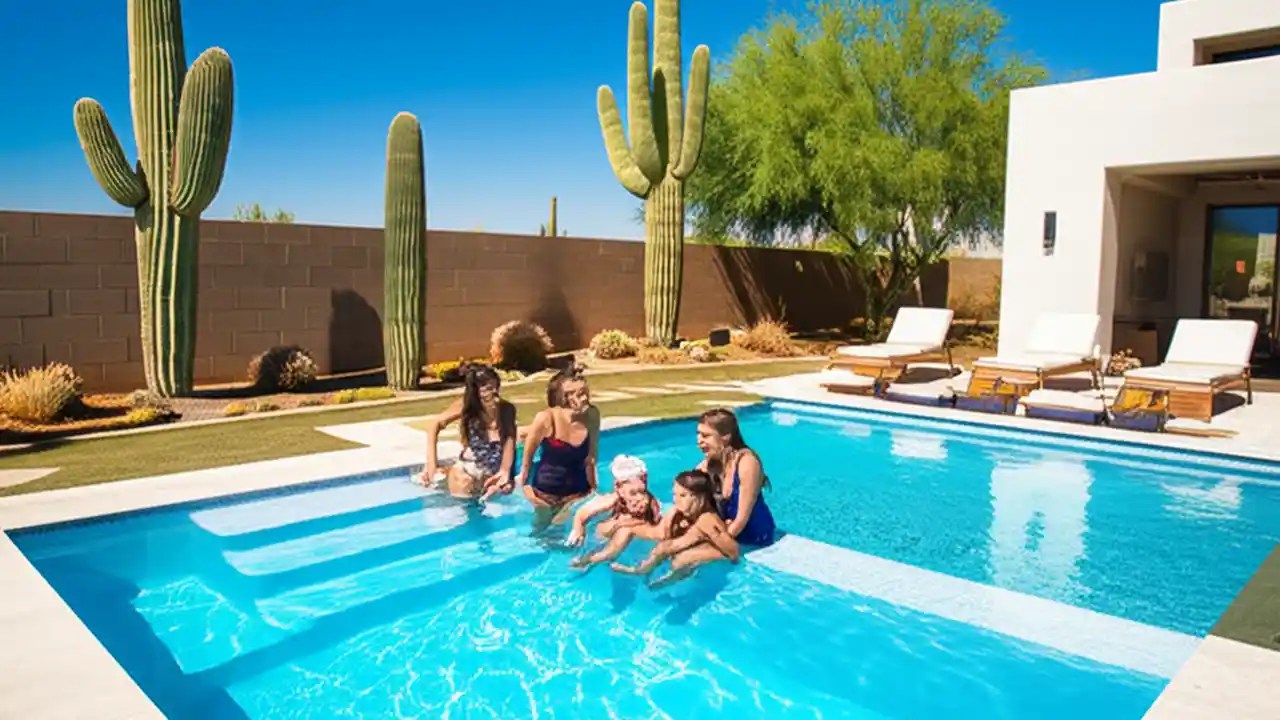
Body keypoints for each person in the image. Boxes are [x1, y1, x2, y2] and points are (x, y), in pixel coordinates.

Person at [610, 469, 740, 588]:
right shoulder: (684, 514)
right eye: (675, 495)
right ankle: (642, 570)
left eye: (683, 496)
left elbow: (734, 552)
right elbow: (663, 534)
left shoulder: (707, 520)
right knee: (665, 547)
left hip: (722, 553)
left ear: (701, 498)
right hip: (700, 541)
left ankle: (665, 578)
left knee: (681, 559)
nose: (676, 500)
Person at [513, 367, 601, 529]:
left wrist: (595, 490)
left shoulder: (592, 415)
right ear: (561, 398)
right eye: (571, 393)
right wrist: (527, 491)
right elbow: (527, 462)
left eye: (583, 392)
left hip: (577, 495)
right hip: (545, 494)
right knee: (541, 534)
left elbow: (591, 457)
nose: (580, 397)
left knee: (565, 533)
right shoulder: (547, 418)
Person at [417, 363, 518, 499]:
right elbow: (434, 425)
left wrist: (505, 471)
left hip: (491, 471)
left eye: (496, 388)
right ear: (475, 392)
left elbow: (510, 439)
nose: (494, 394)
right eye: (488, 389)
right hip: (467, 470)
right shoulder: (466, 407)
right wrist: (431, 466)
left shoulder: (506, 409)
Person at [696, 408, 777, 547]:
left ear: (725, 437)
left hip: (754, 538)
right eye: (698, 434)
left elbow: (740, 520)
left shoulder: (747, 463)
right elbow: (688, 493)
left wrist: (713, 543)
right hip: (728, 533)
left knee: (686, 558)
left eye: (705, 435)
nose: (699, 441)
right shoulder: (708, 465)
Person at [566, 455, 663, 567]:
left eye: (643, 491)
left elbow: (655, 524)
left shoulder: (651, 504)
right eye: (632, 493)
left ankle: (589, 560)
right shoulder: (611, 500)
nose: (640, 498)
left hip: (623, 532)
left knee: (625, 530)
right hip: (599, 534)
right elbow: (582, 513)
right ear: (618, 488)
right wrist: (578, 529)